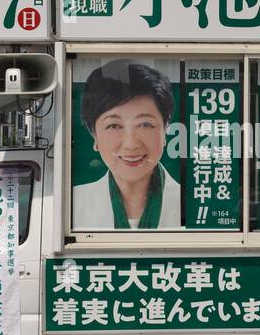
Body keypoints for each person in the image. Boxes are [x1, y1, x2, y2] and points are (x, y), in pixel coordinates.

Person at [72, 60, 182, 229]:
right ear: (94, 135)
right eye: (114, 126)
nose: (131, 145)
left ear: (165, 129)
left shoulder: (190, 203)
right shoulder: (72, 204)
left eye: (145, 124)